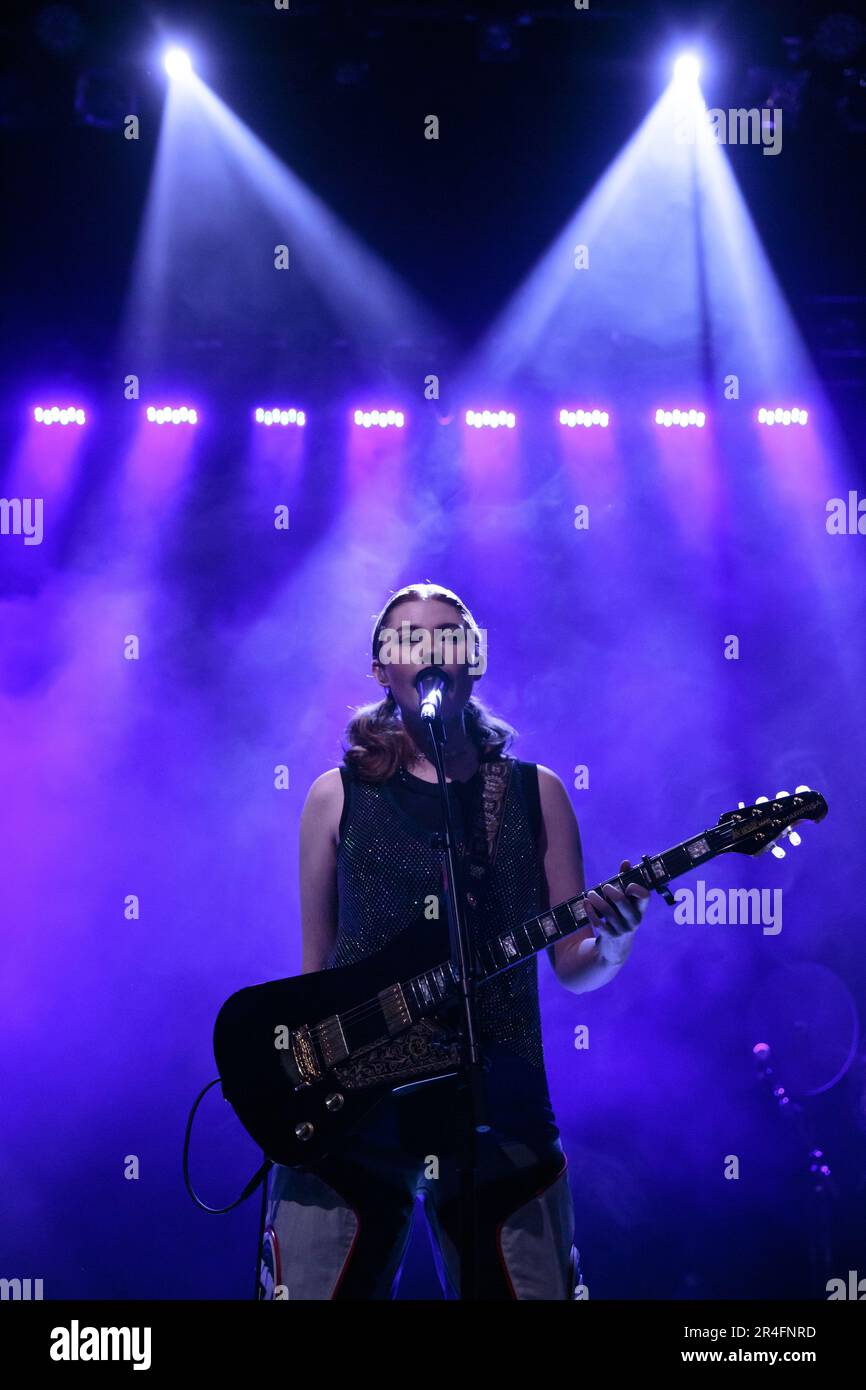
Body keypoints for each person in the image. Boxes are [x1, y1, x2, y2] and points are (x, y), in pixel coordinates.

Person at [259, 582, 650, 1300]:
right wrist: (303, 1095)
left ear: (475, 659)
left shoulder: (536, 792)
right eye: (411, 639)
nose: (432, 651)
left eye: (449, 637)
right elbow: (315, 975)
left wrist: (615, 946)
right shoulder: (333, 796)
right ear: (381, 668)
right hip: (358, 1111)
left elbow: (574, 963)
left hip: (499, 1107)